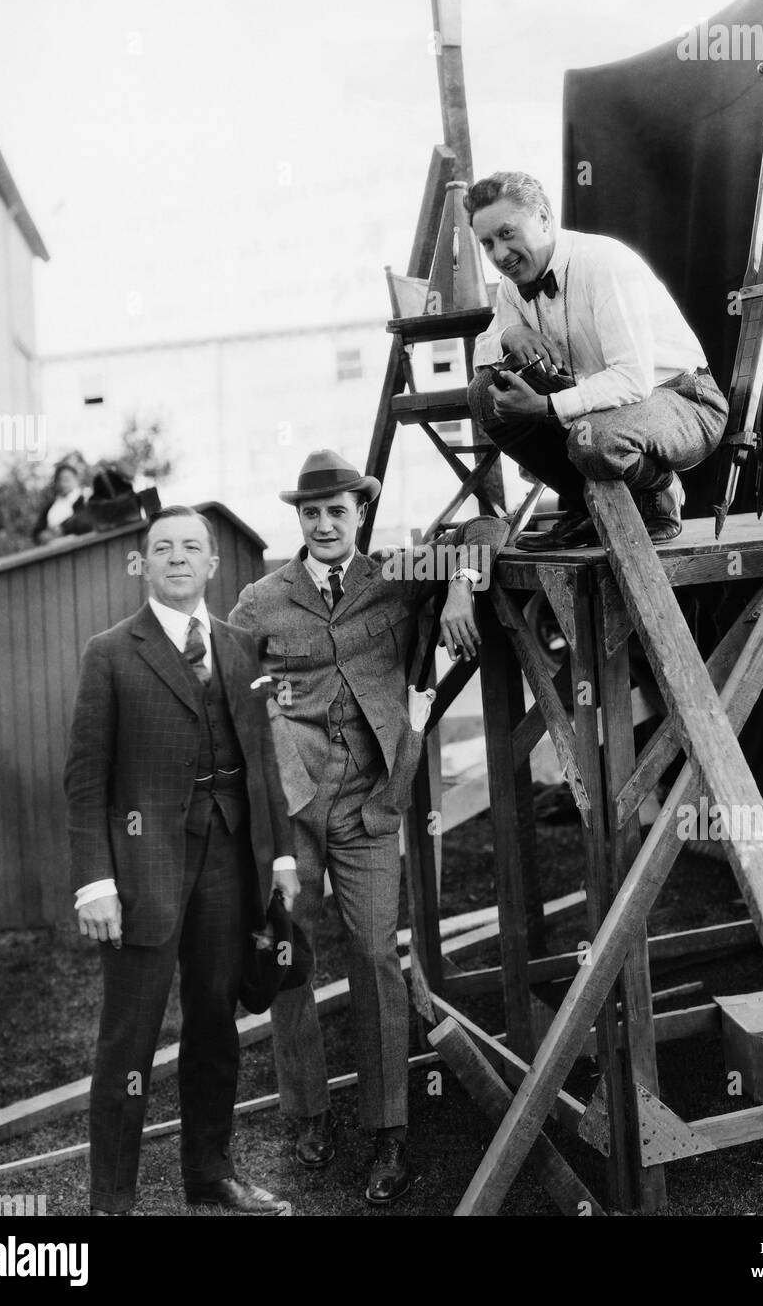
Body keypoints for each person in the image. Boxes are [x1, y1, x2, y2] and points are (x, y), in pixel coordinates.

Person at [229, 449, 506, 1206]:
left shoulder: (397, 574)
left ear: (360, 515)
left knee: (377, 957)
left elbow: (491, 519)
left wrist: (458, 586)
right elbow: (219, 686)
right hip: (292, 818)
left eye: (337, 512)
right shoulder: (261, 601)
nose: (323, 524)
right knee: (287, 955)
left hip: (370, 806)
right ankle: (308, 1116)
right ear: (299, 520)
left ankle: (389, 1131)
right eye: (311, 513)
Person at [65, 505, 294, 1216]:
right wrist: (95, 882)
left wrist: (280, 858)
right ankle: (111, 1203)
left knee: (214, 1023)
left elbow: (262, 761)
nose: (176, 558)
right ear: (143, 563)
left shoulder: (236, 647)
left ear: (211, 565)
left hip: (228, 858)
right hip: (142, 871)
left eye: (190, 547)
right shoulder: (111, 651)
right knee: (128, 1039)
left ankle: (209, 1173)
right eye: (161, 548)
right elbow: (85, 779)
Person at [465, 171, 728, 546]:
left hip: (683, 399)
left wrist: (546, 405)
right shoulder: (513, 282)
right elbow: (483, 352)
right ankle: (589, 505)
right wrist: (509, 334)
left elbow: (632, 379)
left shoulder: (602, 263)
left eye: (507, 234)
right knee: (485, 393)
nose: (500, 255)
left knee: (592, 438)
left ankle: (660, 491)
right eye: (487, 243)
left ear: (542, 218)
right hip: (602, 406)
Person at [34, 462, 88, 544]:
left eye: (66, 480)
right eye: (59, 480)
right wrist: (42, 535)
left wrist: (63, 528)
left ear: (76, 480)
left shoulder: (84, 498)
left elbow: (85, 520)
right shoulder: (51, 505)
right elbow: (37, 530)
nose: (62, 484)